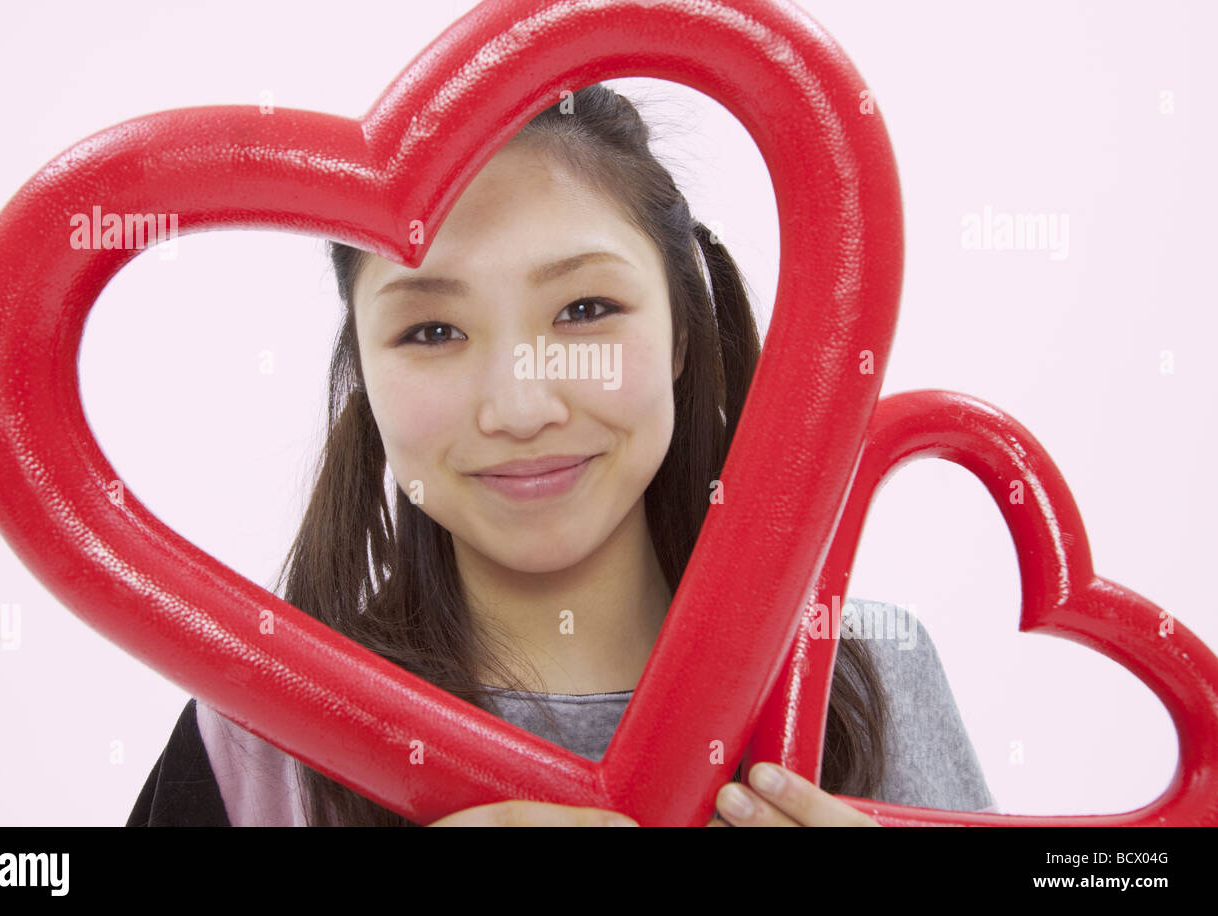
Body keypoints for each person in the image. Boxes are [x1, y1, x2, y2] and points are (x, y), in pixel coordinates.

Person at [127, 83, 996, 827]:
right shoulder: (261, 734)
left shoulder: (863, 676)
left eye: (584, 311)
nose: (521, 406)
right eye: (432, 330)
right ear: (364, 375)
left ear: (681, 334)